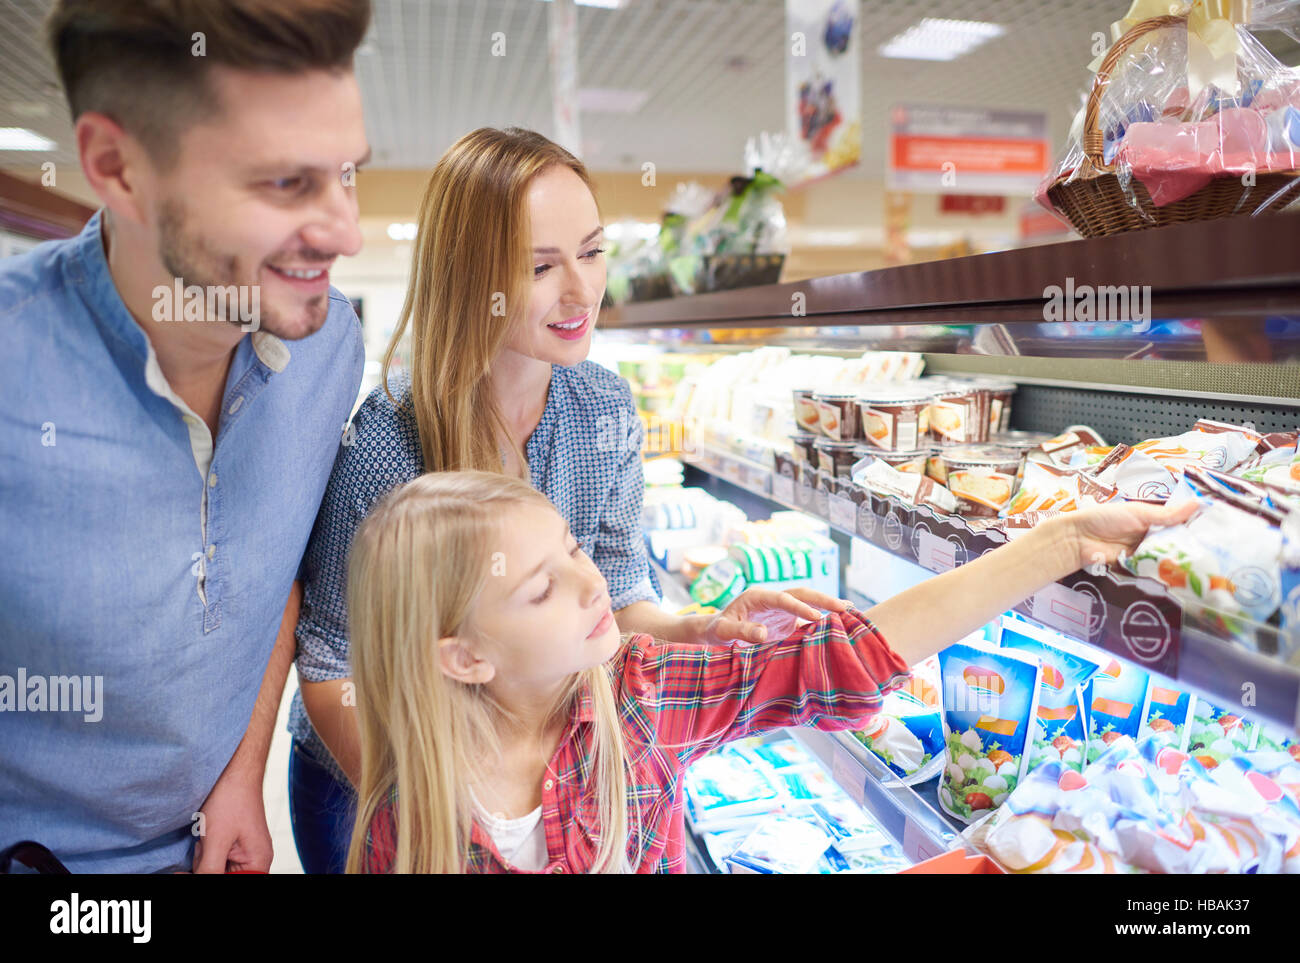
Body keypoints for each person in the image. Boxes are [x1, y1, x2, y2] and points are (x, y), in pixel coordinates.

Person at [287, 127, 830, 871]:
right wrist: (444, 807)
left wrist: (698, 627)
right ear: (473, 275)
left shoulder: (603, 405)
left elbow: (619, 592)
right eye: (542, 265)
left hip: (527, 784)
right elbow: (330, 665)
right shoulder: (390, 440)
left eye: (594, 251)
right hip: (375, 789)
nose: (582, 290)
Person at [345, 471, 1196, 873]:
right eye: (541, 589)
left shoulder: (637, 693)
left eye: (575, 547)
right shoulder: (404, 825)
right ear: (463, 656)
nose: (591, 579)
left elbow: (843, 657)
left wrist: (1059, 543)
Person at [0, 0, 372, 873]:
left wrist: (241, 772)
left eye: (348, 173)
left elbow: (276, 569)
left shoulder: (328, 348)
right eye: (286, 183)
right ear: (116, 166)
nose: (346, 232)